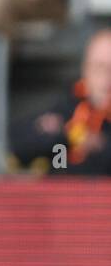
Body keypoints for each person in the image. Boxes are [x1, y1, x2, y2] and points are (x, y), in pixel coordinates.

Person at [11, 28, 111, 176]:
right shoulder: (70, 104)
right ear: (86, 68)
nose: (106, 78)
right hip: (61, 195)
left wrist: (102, 147)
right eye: (99, 68)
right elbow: (19, 147)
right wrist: (63, 136)